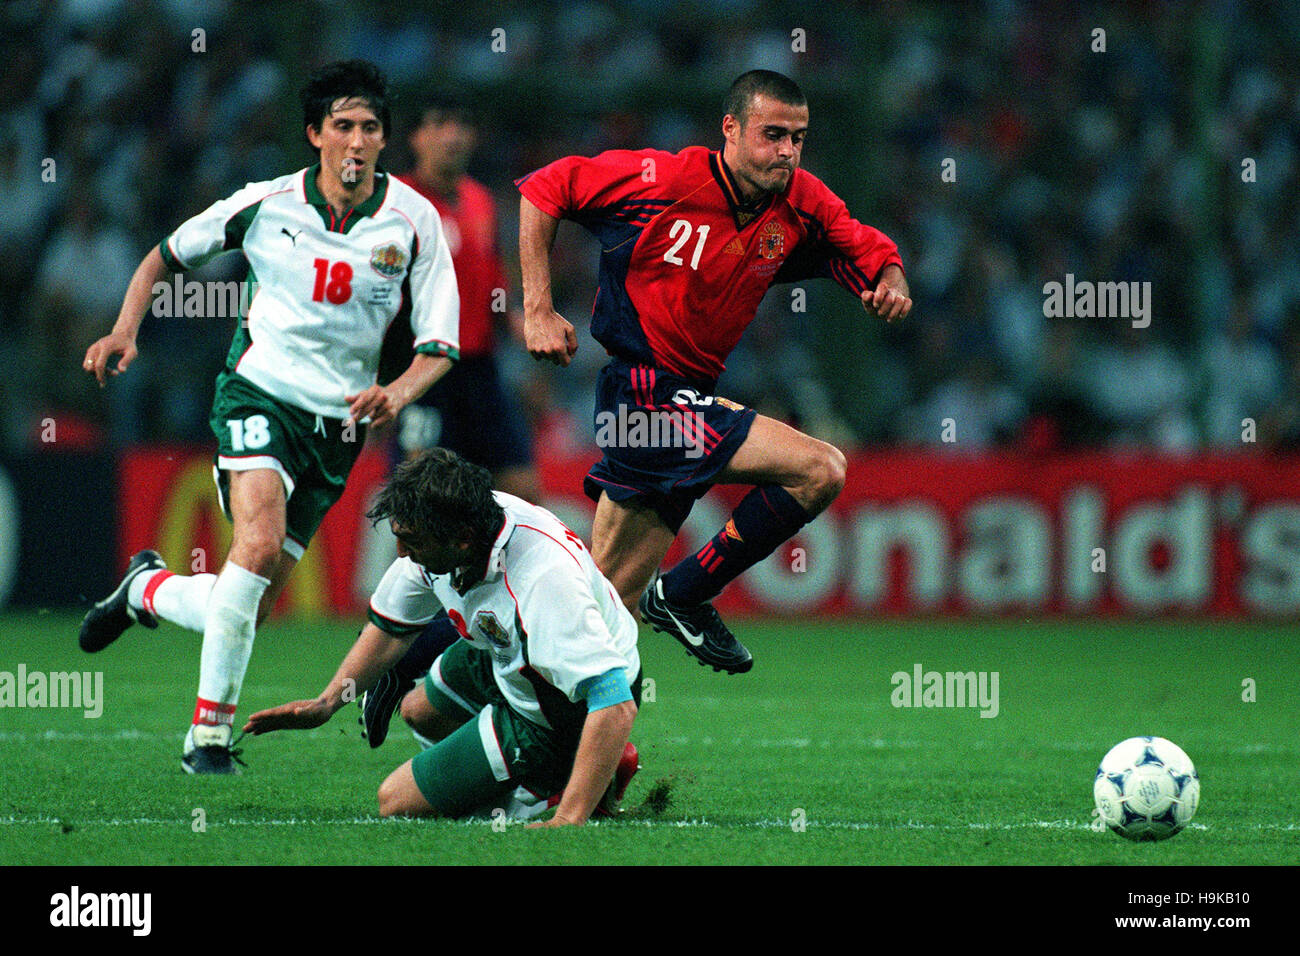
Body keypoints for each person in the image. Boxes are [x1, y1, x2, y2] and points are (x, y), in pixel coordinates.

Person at [77, 60, 460, 774]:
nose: (355, 140)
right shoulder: (264, 203)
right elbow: (162, 259)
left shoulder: (415, 221)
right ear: (315, 134)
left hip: (339, 428)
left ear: (384, 140)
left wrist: (397, 393)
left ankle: (146, 589)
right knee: (257, 545)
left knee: (244, 605)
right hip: (258, 396)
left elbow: (441, 345)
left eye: (369, 127)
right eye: (341, 126)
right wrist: (125, 330)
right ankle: (208, 739)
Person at [516, 70, 912, 673]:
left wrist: (889, 277)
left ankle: (443, 683)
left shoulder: (801, 201)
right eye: (771, 134)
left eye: (797, 138)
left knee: (600, 609)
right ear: (729, 129)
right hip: (642, 394)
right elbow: (546, 189)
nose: (786, 151)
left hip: (676, 399)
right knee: (820, 468)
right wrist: (539, 309)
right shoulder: (662, 180)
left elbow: (860, 244)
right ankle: (683, 595)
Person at [243, 449, 641, 826]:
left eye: (413, 541)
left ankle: (561, 786)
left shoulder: (543, 581)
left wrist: (568, 820)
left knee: (395, 802)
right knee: (418, 710)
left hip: (560, 702)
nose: (402, 552)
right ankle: (565, 769)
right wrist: (327, 702)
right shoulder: (453, 522)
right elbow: (388, 629)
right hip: (508, 656)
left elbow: (615, 701)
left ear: (463, 539)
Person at [359, 95, 546, 748]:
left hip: (481, 371)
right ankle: (398, 653)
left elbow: (493, 278)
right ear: (415, 138)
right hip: (422, 373)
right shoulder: (393, 204)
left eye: (463, 122)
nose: (455, 135)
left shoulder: (483, 201)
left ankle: (501, 633)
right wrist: (379, 381)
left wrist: (519, 321)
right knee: (418, 512)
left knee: (524, 493)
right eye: (442, 123)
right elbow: (375, 294)